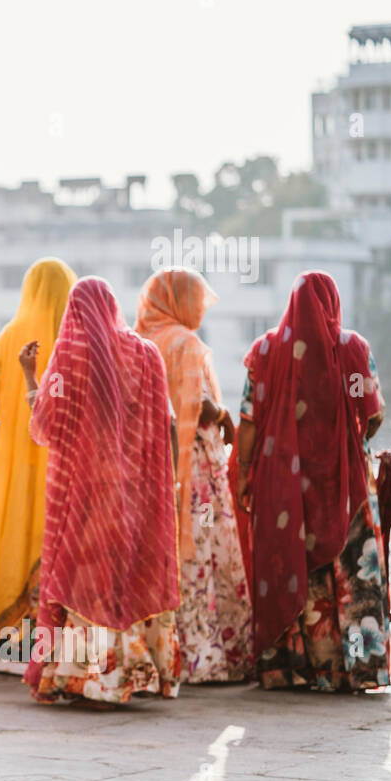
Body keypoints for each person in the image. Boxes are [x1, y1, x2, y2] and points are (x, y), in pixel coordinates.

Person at [21, 277, 181, 706]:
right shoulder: (146, 354)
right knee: (127, 572)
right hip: (136, 487)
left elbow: (46, 426)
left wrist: (29, 377)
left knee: (86, 576)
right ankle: (141, 671)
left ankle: (89, 677)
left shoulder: (72, 354)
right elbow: (165, 425)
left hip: (85, 490)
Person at [235, 270, 391, 692]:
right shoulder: (353, 349)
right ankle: (354, 669)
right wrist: (356, 439)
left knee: (289, 566)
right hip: (344, 484)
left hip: (280, 486)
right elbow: (370, 410)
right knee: (350, 575)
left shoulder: (264, 350)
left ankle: (288, 668)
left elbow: (247, 420)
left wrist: (245, 473)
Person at [136, 268, 253, 682]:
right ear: (180, 300)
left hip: (154, 465)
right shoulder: (185, 343)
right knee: (201, 549)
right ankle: (205, 657)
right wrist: (224, 415)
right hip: (195, 464)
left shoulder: (141, 340)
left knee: (168, 550)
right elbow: (199, 407)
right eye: (196, 299)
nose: (201, 307)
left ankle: (166, 651)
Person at [0, 258, 77, 666]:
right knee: (55, 541)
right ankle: (57, 649)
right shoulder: (76, 336)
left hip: (18, 466)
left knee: (15, 539)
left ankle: (11, 650)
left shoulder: (9, 336)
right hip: (63, 462)